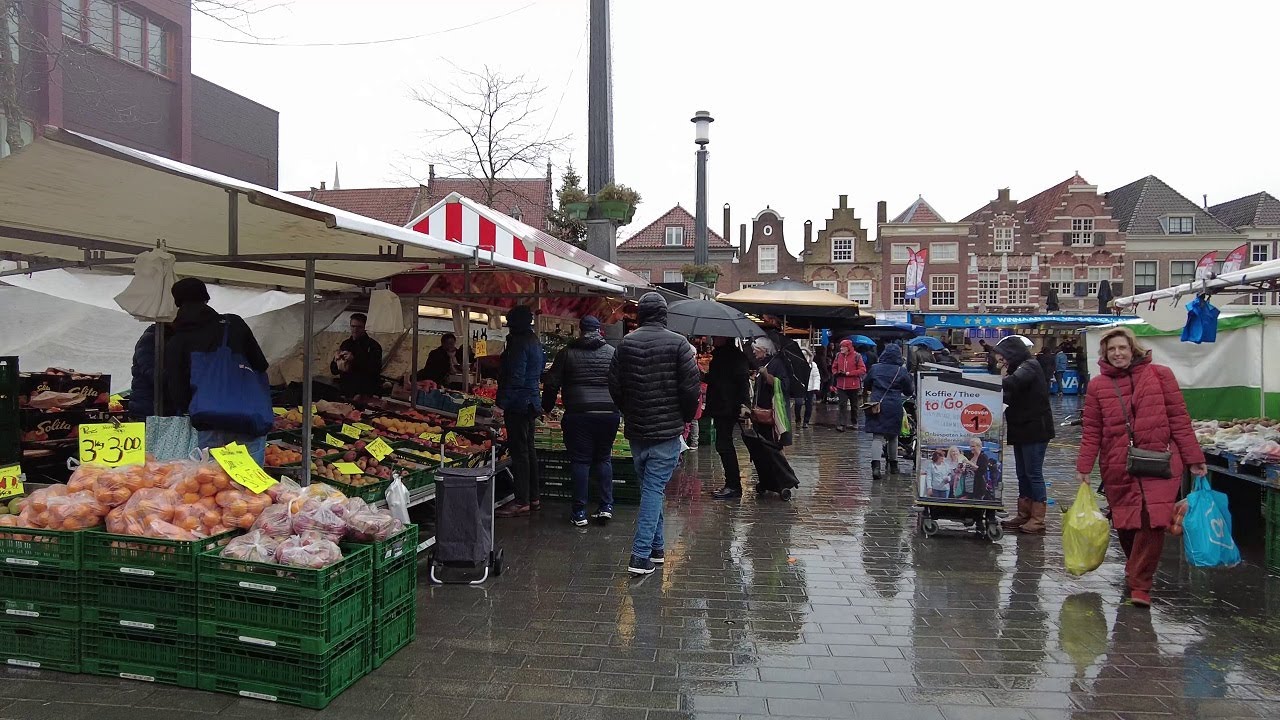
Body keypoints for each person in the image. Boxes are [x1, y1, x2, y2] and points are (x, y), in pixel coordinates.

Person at [1075, 326, 1206, 608]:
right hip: (1118, 465)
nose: (1118, 353)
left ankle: (1140, 585)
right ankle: (1134, 568)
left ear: (1132, 348)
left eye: (1122, 347)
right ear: (1105, 354)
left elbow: (1179, 419)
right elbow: (1092, 430)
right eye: (1112, 349)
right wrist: (1084, 466)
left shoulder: (1161, 376)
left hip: (1158, 463)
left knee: (1152, 522)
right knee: (1126, 523)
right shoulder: (1098, 386)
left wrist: (1194, 459)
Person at [608, 292, 701, 576]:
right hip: (666, 430)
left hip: (637, 430)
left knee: (651, 487)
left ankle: (658, 549)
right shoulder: (679, 345)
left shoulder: (624, 345)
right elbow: (690, 389)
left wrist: (629, 411)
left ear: (639, 315)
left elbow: (614, 386)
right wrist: (684, 418)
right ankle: (639, 556)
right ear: (664, 315)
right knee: (653, 489)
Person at [163, 278, 270, 465]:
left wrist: (195, 406)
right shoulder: (234, 325)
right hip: (248, 416)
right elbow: (260, 364)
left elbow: (176, 388)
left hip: (208, 418)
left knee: (212, 486)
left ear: (177, 302)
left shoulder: (177, 340)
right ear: (205, 297)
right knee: (249, 486)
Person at [541, 316, 618, 527]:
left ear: (580, 331)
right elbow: (622, 383)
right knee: (603, 458)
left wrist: (546, 407)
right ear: (599, 330)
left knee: (580, 461)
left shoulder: (567, 353)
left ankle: (580, 512)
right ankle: (605, 506)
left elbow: (551, 384)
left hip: (579, 412)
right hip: (608, 413)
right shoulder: (612, 353)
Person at [992, 335, 1055, 533]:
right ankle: (1024, 513)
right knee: (1022, 473)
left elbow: (1014, 383)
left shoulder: (1029, 366)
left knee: (1033, 473)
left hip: (1035, 428)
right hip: (1020, 428)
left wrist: (997, 379)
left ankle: (1038, 517)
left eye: (1003, 357)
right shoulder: (1016, 367)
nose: (1001, 361)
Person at [495, 305, 546, 518]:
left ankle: (521, 501)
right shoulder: (534, 341)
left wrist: (501, 404)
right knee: (529, 450)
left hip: (518, 403)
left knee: (520, 452)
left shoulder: (518, 343)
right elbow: (540, 369)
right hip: (531, 401)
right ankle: (533, 497)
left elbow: (516, 376)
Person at [740, 337, 800, 499]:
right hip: (762, 415)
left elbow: (784, 385)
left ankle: (783, 480)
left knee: (776, 447)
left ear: (765, 350)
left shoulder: (778, 364)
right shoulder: (765, 363)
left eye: (756, 349)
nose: (753, 352)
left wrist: (767, 376)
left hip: (774, 415)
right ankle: (769, 479)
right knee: (764, 448)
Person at [706, 336, 751, 500]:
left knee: (724, 445)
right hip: (720, 404)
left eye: (716, 336)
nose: (713, 338)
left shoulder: (735, 356)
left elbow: (742, 381)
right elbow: (717, 379)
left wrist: (744, 404)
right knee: (723, 444)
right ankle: (731, 484)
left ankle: (733, 486)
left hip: (727, 406)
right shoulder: (721, 355)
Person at [863, 343, 913, 479]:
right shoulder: (901, 371)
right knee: (893, 436)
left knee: (877, 437)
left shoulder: (875, 368)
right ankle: (894, 465)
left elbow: (866, 383)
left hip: (876, 405)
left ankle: (876, 467)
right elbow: (909, 390)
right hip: (894, 405)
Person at [330, 313, 383, 398]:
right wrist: (336, 361)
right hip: (346, 390)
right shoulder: (345, 344)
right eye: (353, 326)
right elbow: (334, 371)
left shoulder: (373, 346)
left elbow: (375, 369)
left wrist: (354, 360)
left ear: (365, 328)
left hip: (365, 392)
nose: (355, 329)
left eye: (359, 327)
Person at [128, 323, 169, 420]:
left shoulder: (166, 337)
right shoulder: (151, 339)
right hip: (147, 406)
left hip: (154, 405)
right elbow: (152, 373)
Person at [830, 339, 867, 432]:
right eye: (841, 346)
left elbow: (862, 370)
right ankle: (842, 424)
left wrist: (849, 373)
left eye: (843, 347)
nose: (841, 348)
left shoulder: (857, 356)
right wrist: (836, 373)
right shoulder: (838, 356)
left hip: (853, 385)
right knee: (842, 404)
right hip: (841, 385)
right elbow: (834, 367)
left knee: (854, 405)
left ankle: (854, 422)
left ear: (848, 348)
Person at [803, 348, 821, 428]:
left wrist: (816, 387)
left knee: (808, 405)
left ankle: (806, 421)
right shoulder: (796, 363)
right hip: (799, 388)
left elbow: (816, 376)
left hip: (809, 388)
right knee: (798, 404)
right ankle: (798, 419)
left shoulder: (812, 365)